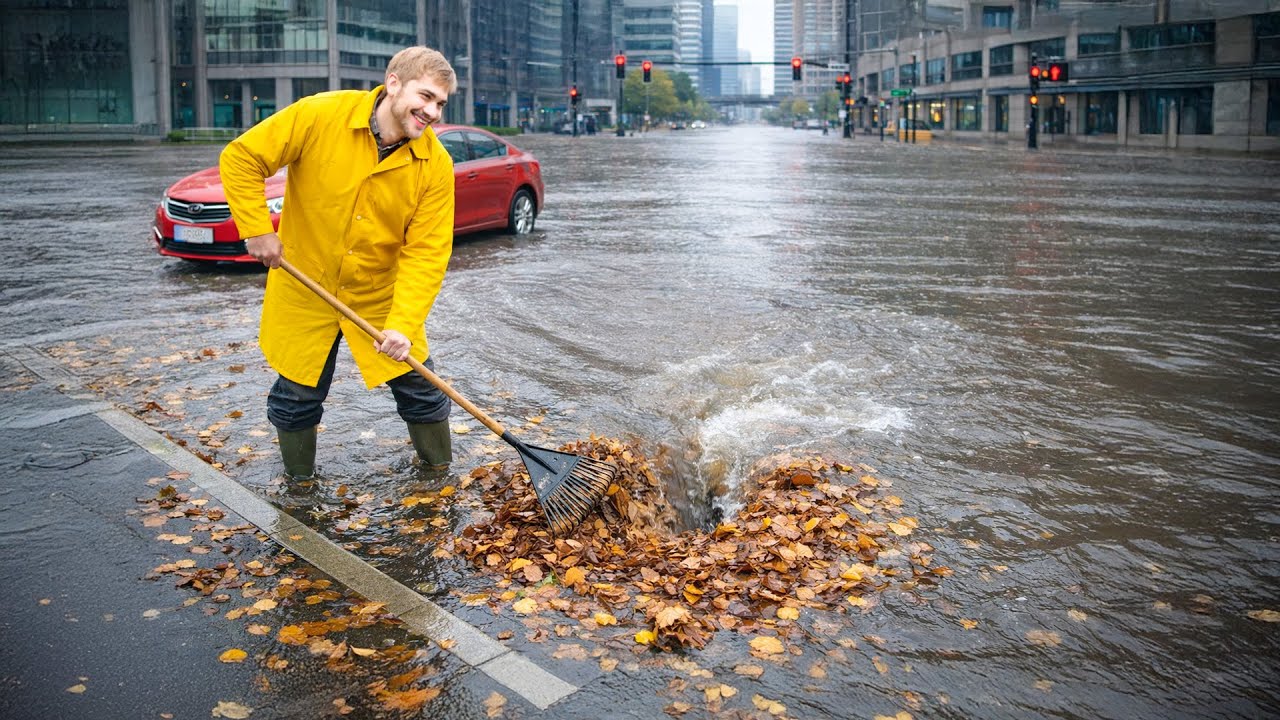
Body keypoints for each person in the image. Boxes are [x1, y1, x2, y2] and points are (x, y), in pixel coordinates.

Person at [220, 46, 458, 480]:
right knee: (296, 397)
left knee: (422, 391)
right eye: (425, 97)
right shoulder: (319, 115)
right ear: (393, 84)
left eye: (440, 103)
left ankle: (439, 477)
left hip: (378, 294)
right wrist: (257, 228)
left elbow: (426, 252)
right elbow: (241, 158)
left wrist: (403, 324)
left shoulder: (435, 165)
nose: (432, 112)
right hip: (304, 285)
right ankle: (300, 489)